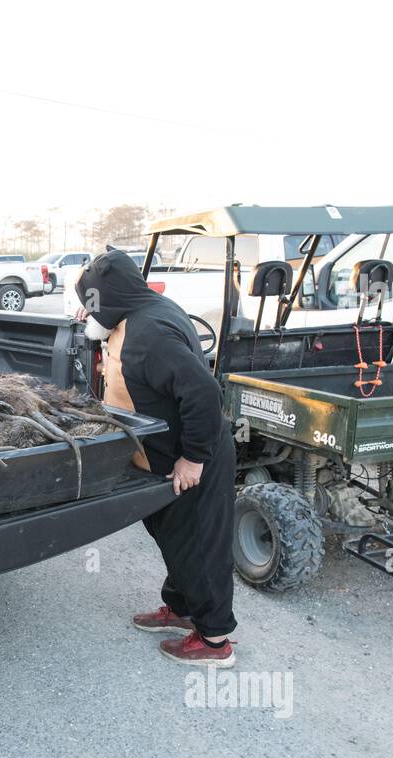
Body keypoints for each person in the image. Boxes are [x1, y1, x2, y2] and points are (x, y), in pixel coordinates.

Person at [74, 248, 238, 668]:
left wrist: (193, 459)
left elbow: (203, 393)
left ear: (110, 299)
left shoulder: (150, 334)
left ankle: (215, 640)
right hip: (164, 458)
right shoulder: (142, 312)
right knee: (175, 539)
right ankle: (182, 610)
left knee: (199, 544)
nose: (89, 313)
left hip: (194, 459)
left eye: (92, 304)